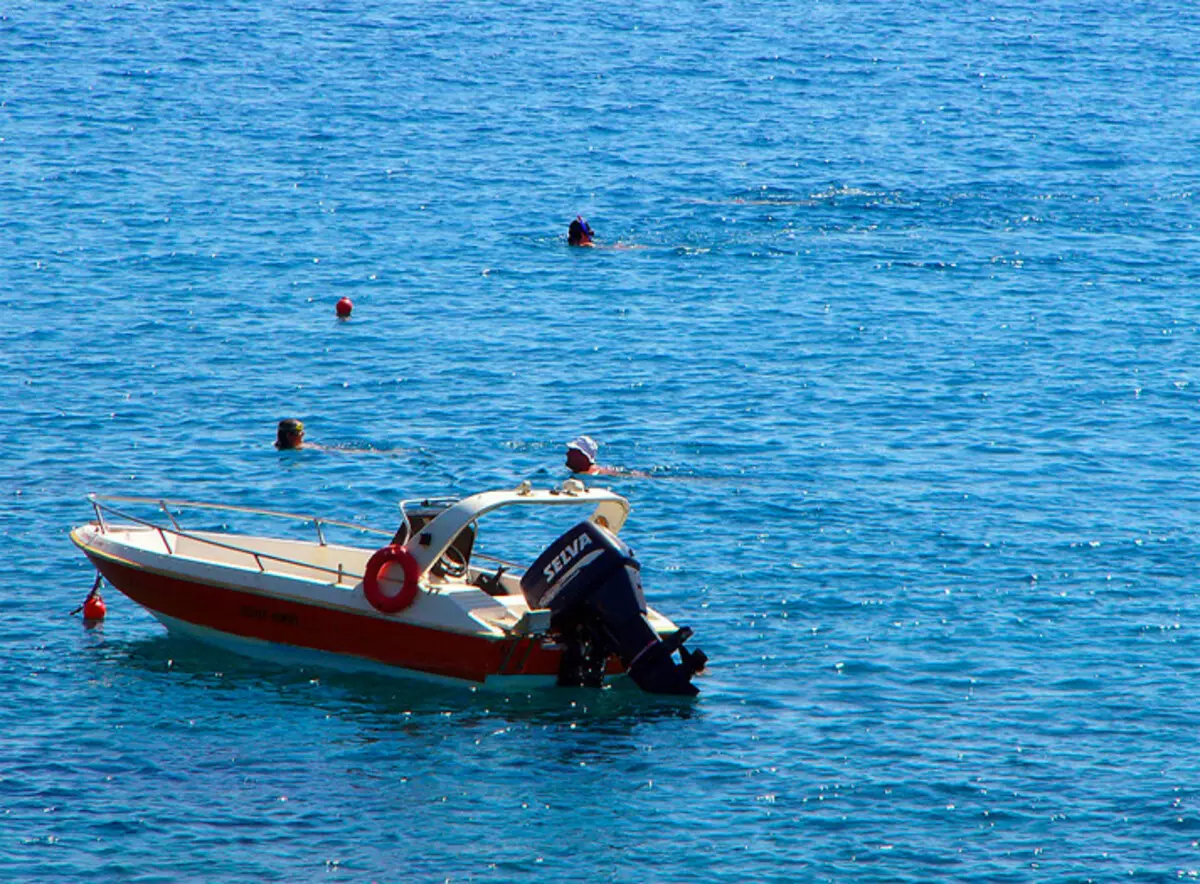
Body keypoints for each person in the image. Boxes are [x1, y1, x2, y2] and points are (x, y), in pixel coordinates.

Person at [565, 435, 645, 477]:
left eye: (572, 452)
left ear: (583, 456)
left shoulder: (598, 474)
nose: (567, 454)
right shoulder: (578, 473)